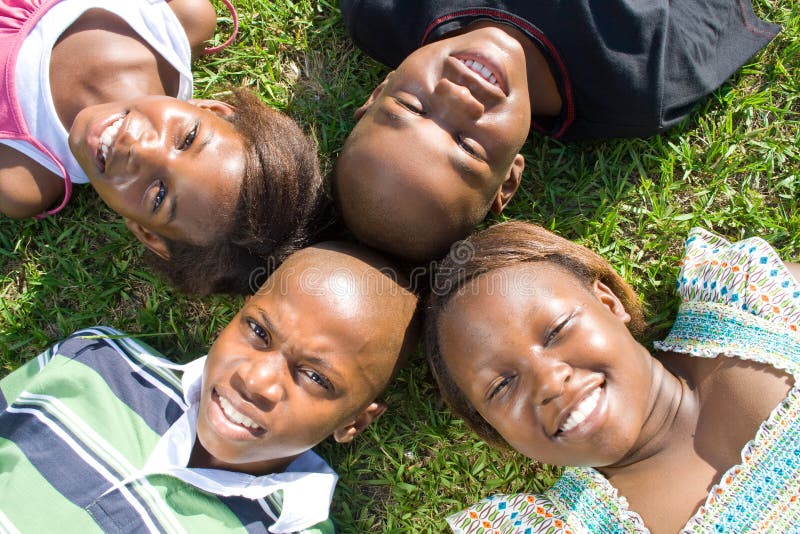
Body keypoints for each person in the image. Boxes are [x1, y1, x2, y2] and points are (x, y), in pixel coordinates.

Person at [0, 242, 420, 533]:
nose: (255, 380)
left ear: (354, 422)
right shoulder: (95, 360)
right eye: (257, 329)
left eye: (315, 377)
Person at [333, 0, 780, 263]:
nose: (458, 98)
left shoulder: (381, 11)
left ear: (378, 91)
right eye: (467, 145)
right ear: (509, 179)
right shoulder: (644, 78)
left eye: (412, 106)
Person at [424, 221, 800, 532]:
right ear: (491, 429)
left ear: (608, 303)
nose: (551, 383)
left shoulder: (753, 304)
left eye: (556, 331)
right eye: (502, 385)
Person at [0, 0, 325, 294]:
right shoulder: (183, 18)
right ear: (214, 110)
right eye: (187, 139)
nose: (139, 148)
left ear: (147, 234)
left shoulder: (23, 176)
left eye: (158, 196)